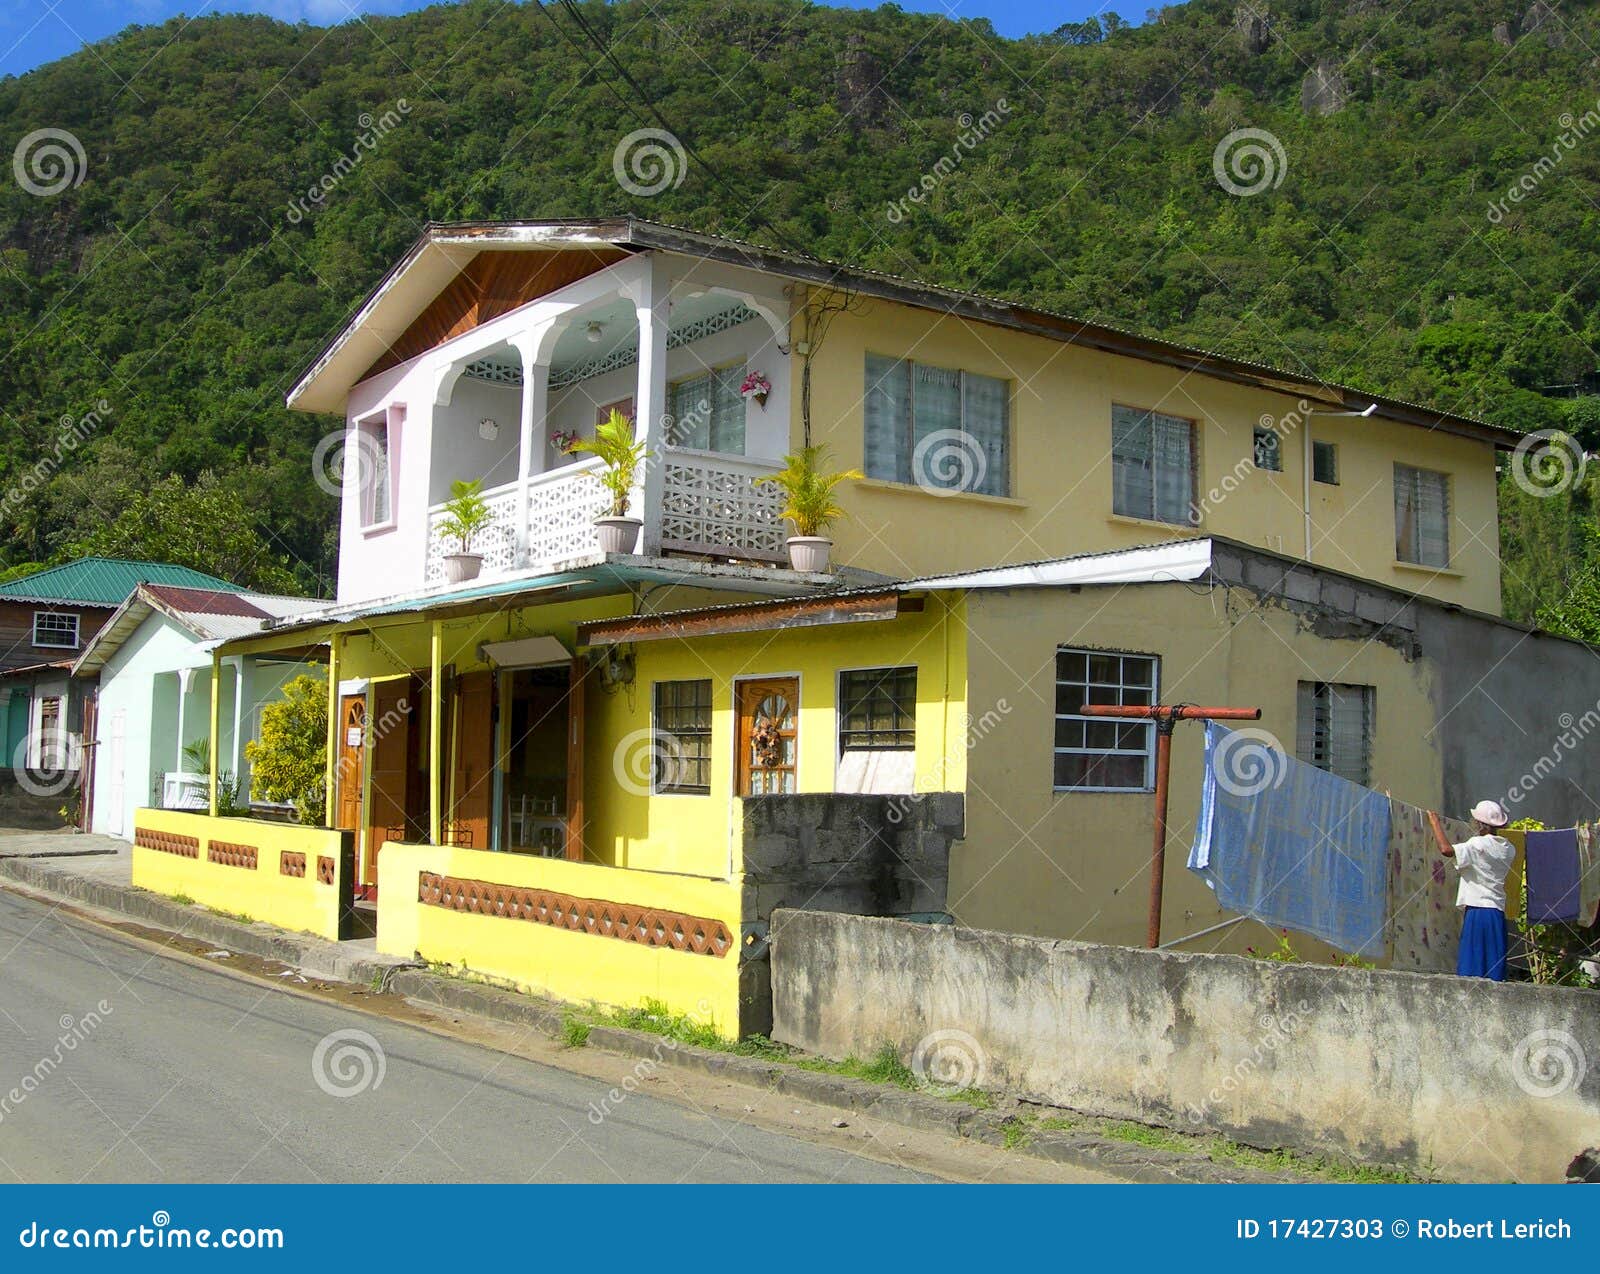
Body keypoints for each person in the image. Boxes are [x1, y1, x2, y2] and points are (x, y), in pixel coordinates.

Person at [1427, 800, 1515, 981]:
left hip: (1477, 910)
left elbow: (1446, 849)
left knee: (1471, 969)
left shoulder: (1477, 844)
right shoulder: (1509, 848)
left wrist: (1435, 823)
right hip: (1497, 912)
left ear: (1480, 824)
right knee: (1493, 971)